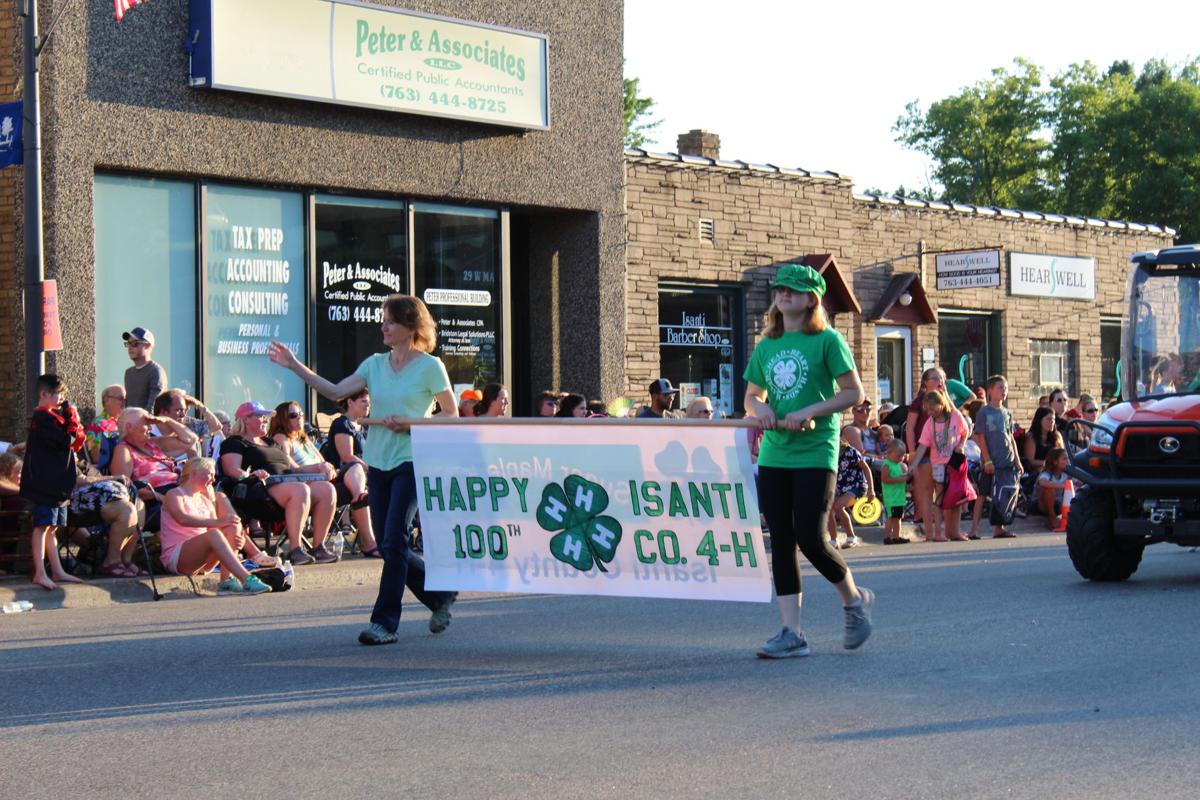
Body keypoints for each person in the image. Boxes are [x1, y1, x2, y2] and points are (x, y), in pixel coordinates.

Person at [267, 293, 459, 645]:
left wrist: (412, 423)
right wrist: (295, 365)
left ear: (410, 325)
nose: (383, 326)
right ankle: (439, 594)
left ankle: (384, 623)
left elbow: (451, 414)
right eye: (383, 320)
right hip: (379, 462)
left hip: (414, 459)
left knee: (395, 539)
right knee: (390, 545)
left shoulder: (431, 366)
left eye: (391, 321)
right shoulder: (374, 364)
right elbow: (336, 390)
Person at [743, 263, 873, 659]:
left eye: (794, 291)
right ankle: (791, 633)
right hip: (775, 453)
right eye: (781, 289)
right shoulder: (766, 345)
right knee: (781, 541)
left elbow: (854, 393)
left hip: (816, 451)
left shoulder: (828, 341)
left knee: (812, 539)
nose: (784, 295)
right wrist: (759, 410)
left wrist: (812, 411)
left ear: (811, 299)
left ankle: (853, 602)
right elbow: (751, 396)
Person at [220, 401, 339, 566]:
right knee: (301, 490)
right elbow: (231, 469)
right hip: (258, 489)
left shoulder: (270, 443)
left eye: (265, 417)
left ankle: (318, 547)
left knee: (327, 490)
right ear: (246, 419)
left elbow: (294, 469)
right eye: (261, 416)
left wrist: (319, 467)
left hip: (286, 482)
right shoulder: (235, 442)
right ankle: (295, 549)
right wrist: (251, 474)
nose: (265, 420)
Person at [160, 457, 272, 594]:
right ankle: (247, 578)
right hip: (178, 557)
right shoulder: (174, 494)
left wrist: (236, 539)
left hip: (203, 561)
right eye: (210, 474)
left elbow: (215, 530)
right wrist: (218, 522)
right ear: (194, 473)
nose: (213, 479)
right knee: (216, 531)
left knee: (232, 526)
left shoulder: (205, 500)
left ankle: (226, 581)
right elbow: (183, 519)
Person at [18, 374, 86, 591]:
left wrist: (69, 420)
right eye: (57, 394)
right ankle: (40, 572)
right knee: (41, 526)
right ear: (44, 394)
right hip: (44, 483)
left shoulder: (54, 418)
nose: (60, 399)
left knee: (52, 527)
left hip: (57, 482)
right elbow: (65, 440)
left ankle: (57, 570)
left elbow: (73, 442)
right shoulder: (42, 419)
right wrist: (71, 419)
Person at [324, 387, 381, 558]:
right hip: (344, 474)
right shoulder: (342, 424)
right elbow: (347, 456)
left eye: (369, 403)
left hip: (363, 474)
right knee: (357, 469)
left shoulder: (362, 426)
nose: (368, 406)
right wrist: (368, 467)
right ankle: (369, 542)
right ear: (350, 402)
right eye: (364, 402)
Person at [911, 389, 970, 542]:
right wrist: (913, 465)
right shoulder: (930, 423)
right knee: (940, 498)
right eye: (927, 409)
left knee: (956, 498)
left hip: (955, 462)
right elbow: (923, 446)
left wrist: (961, 445)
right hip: (938, 464)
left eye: (932, 408)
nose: (929, 412)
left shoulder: (955, 416)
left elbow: (966, 431)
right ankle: (938, 532)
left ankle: (955, 532)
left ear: (941, 404)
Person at [109, 407, 192, 509]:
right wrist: (158, 496)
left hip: (178, 488)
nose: (151, 428)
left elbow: (190, 440)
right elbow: (123, 487)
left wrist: (167, 420)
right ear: (129, 427)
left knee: (212, 494)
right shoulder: (123, 450)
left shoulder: (153, 443)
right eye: (146, 424)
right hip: (158, 498)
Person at [974, 375, 1022, 539]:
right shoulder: (984, 412)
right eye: (1000, 388)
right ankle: (974, 529)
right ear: (990, 391)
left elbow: (1011, 438)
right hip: (991, 461)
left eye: (1006, 388)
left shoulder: (1007, 413)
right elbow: (981, 437)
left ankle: (999, 528)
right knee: (982, 494)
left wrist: (1017, 461)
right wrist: (987, 460)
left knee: (1002, 495)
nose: (1004, 391)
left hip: (1006, 461)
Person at [906, 367, 948, 540]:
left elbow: (957, 420)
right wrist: (912, 452)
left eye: (941, 378)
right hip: (923, 452)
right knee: (925, 491)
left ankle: (941, 530)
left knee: (941, 492)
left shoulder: (946, 401)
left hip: (943, 452)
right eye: (935, 378)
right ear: (925, 381)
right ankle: (929, 532)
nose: (939, 381)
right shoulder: (919, 402)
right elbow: (910, 429)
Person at [829, 426, 875, 549]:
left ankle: (851, 537)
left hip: (856, 485)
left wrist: (871, 489)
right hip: (840, 486)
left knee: (838, 506)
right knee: (828, 509)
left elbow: (866, 468)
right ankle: (833, 541)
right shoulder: (829, 454)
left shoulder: (850, 451)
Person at [153, 389, 220, 460]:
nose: (183, 415)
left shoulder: (188, 431)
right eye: (178, 410)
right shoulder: (145, 432)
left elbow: (216, 427)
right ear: (163, 412)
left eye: (184, 410)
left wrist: (199, 405)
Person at [122, 327, 168, 412]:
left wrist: (140, 423)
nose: (130, 348)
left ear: (148, 345)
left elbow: (153, 408)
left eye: (135, 343)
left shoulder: (155, 371)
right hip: (130, 423)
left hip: (148, 424)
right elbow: (127, 405)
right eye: (128, 343)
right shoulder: (128, 373)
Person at [879, 439, 911, 545]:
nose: (900, 458)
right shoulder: (887, 465)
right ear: (889, 453)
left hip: (899, 497)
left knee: (898, 518)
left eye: (902, 456)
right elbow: (885, 479)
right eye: (898, 456)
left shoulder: (900, 465)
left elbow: (905, 478)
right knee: (891, 517)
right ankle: (887, 536)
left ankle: (896, 536)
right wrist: (900, 479)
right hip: (891, 498)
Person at [85, 384, 126, 464]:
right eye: (120, 398)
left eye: (125, 399)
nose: (124, 402)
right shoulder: (98, 424)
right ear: (106, 400)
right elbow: (96, 457)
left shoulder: (123, 421)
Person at [1036, 448, 1071, 530]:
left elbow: (1077, 483)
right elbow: (1042, 482)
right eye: (1064, 458)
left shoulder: (1066, 474)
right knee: (1049, 489)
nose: (1068, 461)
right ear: (1055, 462)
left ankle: (1068, 517)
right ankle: (1052, 517)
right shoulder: (1047, 474)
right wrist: (1063, 486)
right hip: (1042, 505)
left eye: (1068, 458)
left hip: (1058, 504)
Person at [1023, 406, 1063, 474]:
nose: (1052, 422)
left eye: (1053, 419)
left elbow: (1062, 455)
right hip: (1037, 472)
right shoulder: (1031, 437)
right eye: (1048, 419)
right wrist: (1048, 463)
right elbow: (1030, 461)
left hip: (1056, 470)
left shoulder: (1057, 436)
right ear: (1040, 420)